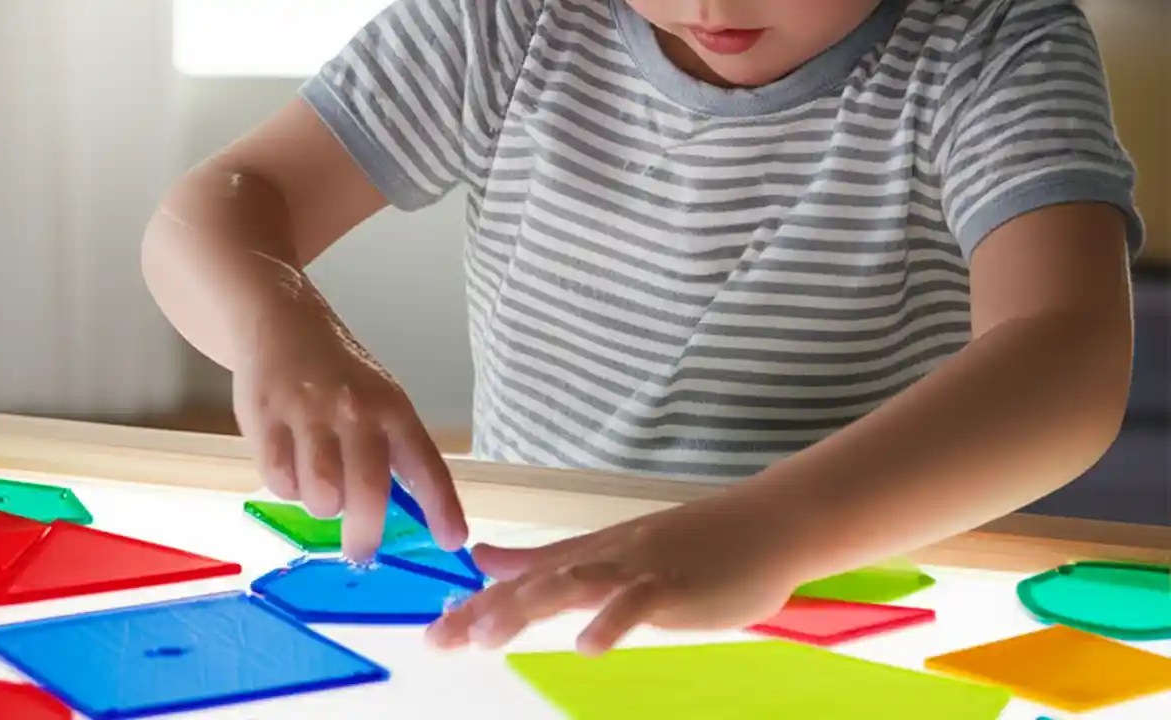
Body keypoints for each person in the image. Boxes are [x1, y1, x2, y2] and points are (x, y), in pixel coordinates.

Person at [141, 0, 1142, 655]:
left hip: (861, 593)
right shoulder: (507, 19)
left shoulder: (995, 40)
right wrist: (281, 323)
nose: (711, 4)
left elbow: (1064, 355)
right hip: (546, 589)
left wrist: (769, 529)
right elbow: (224, 203)